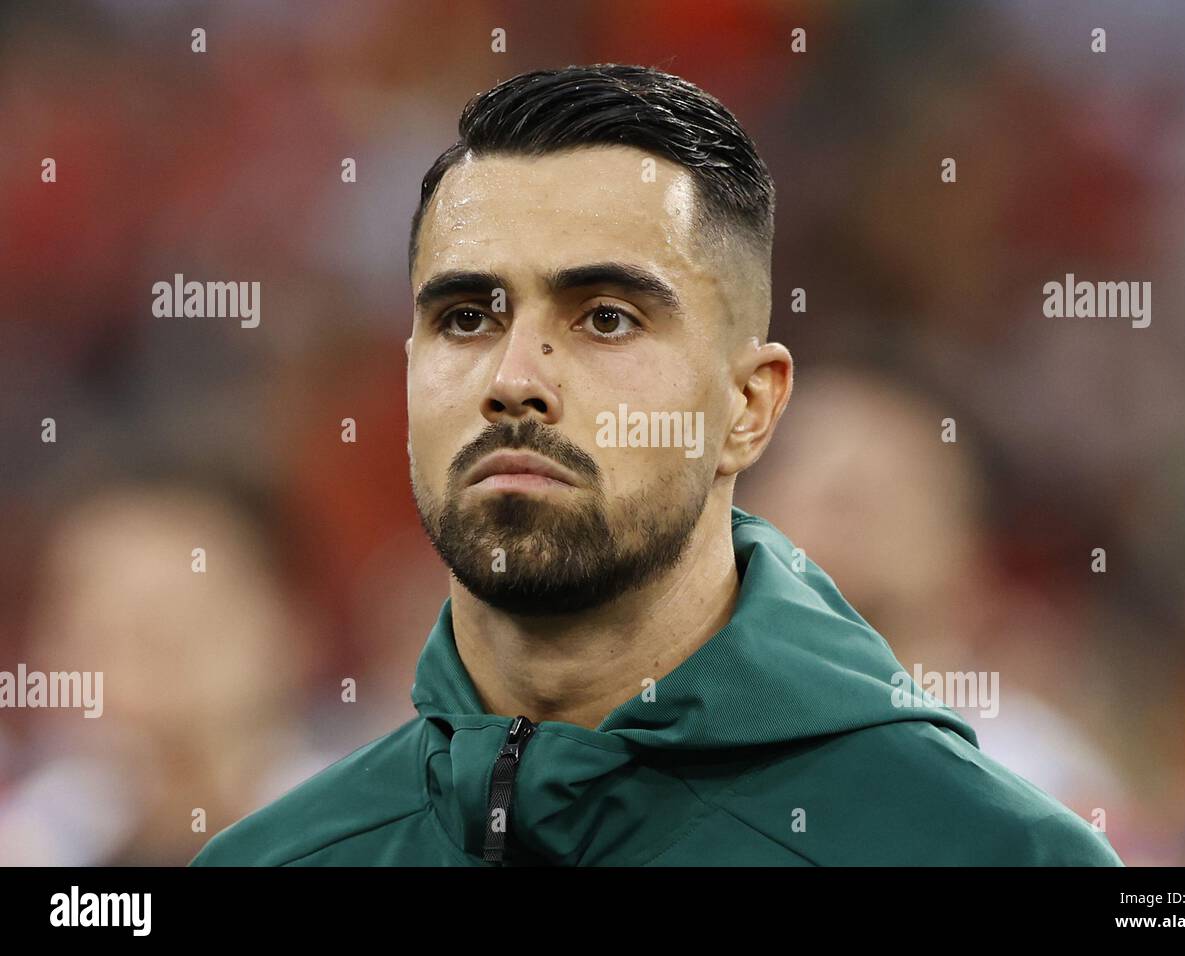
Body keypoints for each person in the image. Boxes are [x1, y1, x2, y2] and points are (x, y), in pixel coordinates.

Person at [190, 63, 1122, 866]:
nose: (515, 381)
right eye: (467, 318)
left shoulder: (987, 854)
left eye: (605, 318)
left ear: (748, 408)